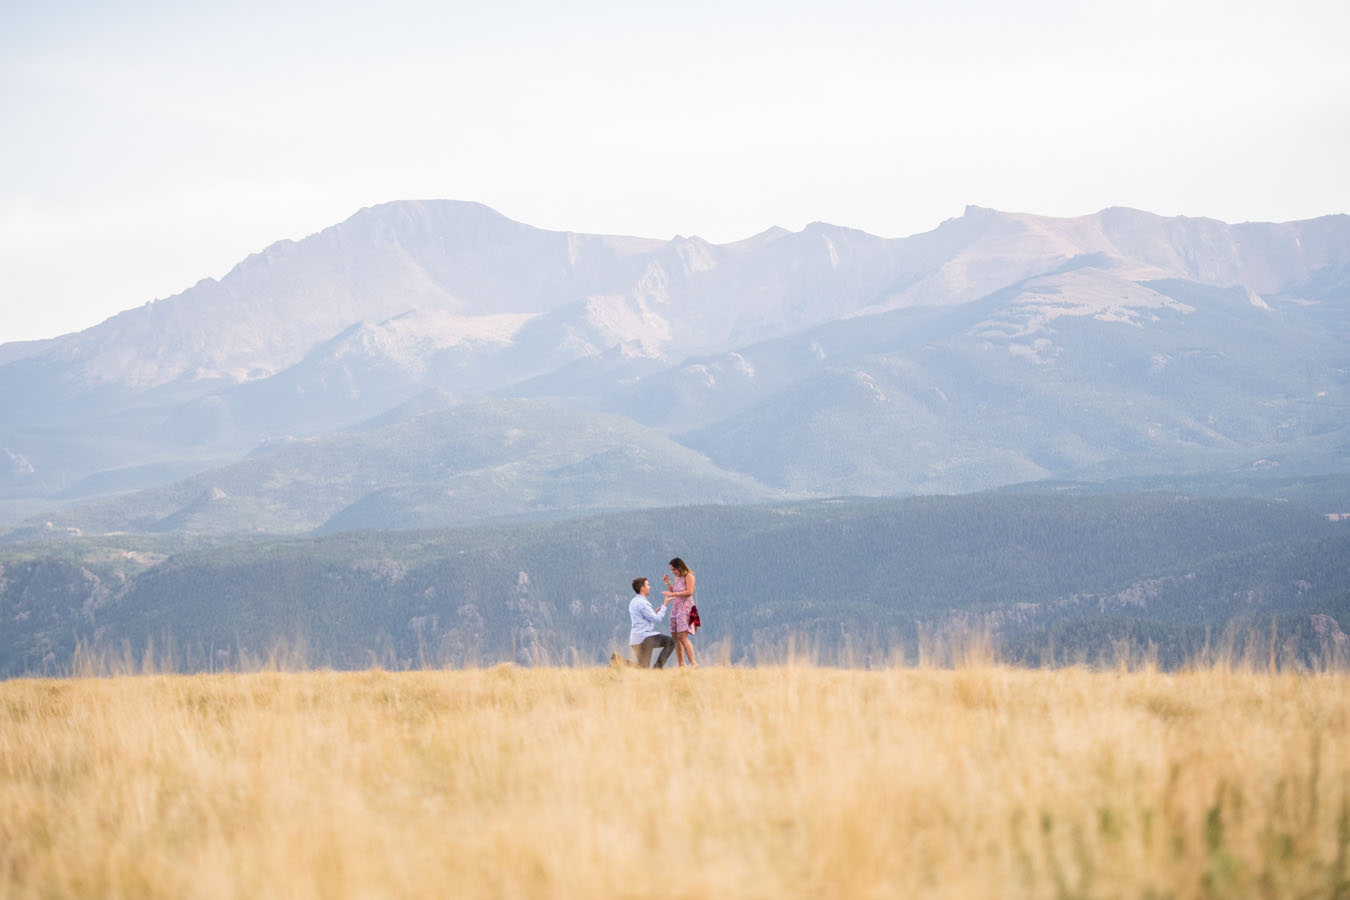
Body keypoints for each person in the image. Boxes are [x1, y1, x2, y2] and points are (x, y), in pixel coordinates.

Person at [628, 576, 674, 669]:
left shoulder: (634, 601)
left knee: (643, 668)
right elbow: (657, 619)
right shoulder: (643, 603)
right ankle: (658, 667)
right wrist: (665, 605)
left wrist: (654, 613)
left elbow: (642, 617)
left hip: (635, 639)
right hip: (645, 638)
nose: (650, 587)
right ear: (642, 588)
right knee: (671, 642)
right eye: (648, 585)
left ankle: (617, 660)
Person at [663, 557, 698, 668]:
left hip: (685, 609)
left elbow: (689, 592)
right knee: (675, 637)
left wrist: (675, 595)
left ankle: (693, 663)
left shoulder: (689, 576)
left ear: (679, 567)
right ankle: (681, 664)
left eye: (674, 569)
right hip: (676, 608)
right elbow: (673, 591)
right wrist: (667, 583)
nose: (673, 572)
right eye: (671, 570)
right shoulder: (676, 578)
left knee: (683, 637)